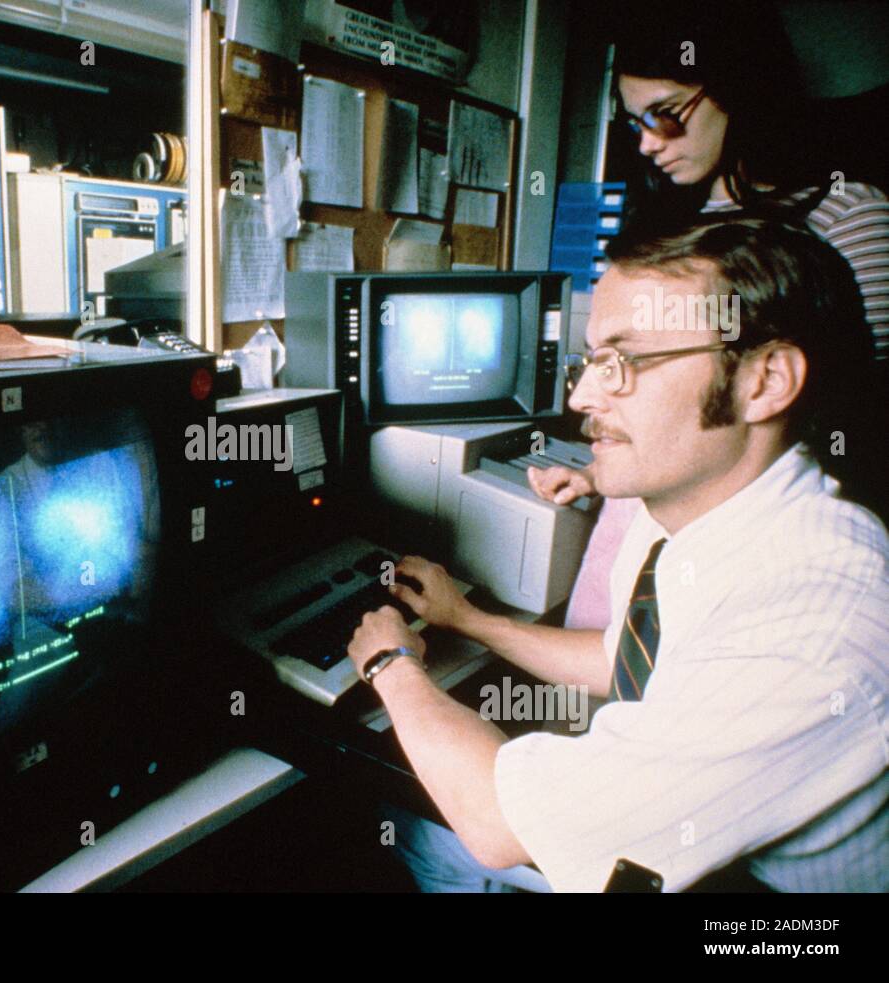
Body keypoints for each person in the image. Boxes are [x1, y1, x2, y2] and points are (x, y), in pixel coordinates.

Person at [349, 219, 888, 892]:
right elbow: (621, 656)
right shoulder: (694, 513)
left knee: (417, 832)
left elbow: (495, 821)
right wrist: (468, 619)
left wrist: (390, 663)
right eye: (591, 360)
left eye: (626, 362)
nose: (580, 399)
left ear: (765, 380)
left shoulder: (812, 621)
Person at [533, 3, 889, 628]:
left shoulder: (849, 215)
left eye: (666, 116)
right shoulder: (670, 222)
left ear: (739, 88)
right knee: (610, 686)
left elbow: (856, 416)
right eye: (633, 123)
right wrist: (605, 467)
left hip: (753, 540)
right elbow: (664, 404)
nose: (647, 143)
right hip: (649, 518)